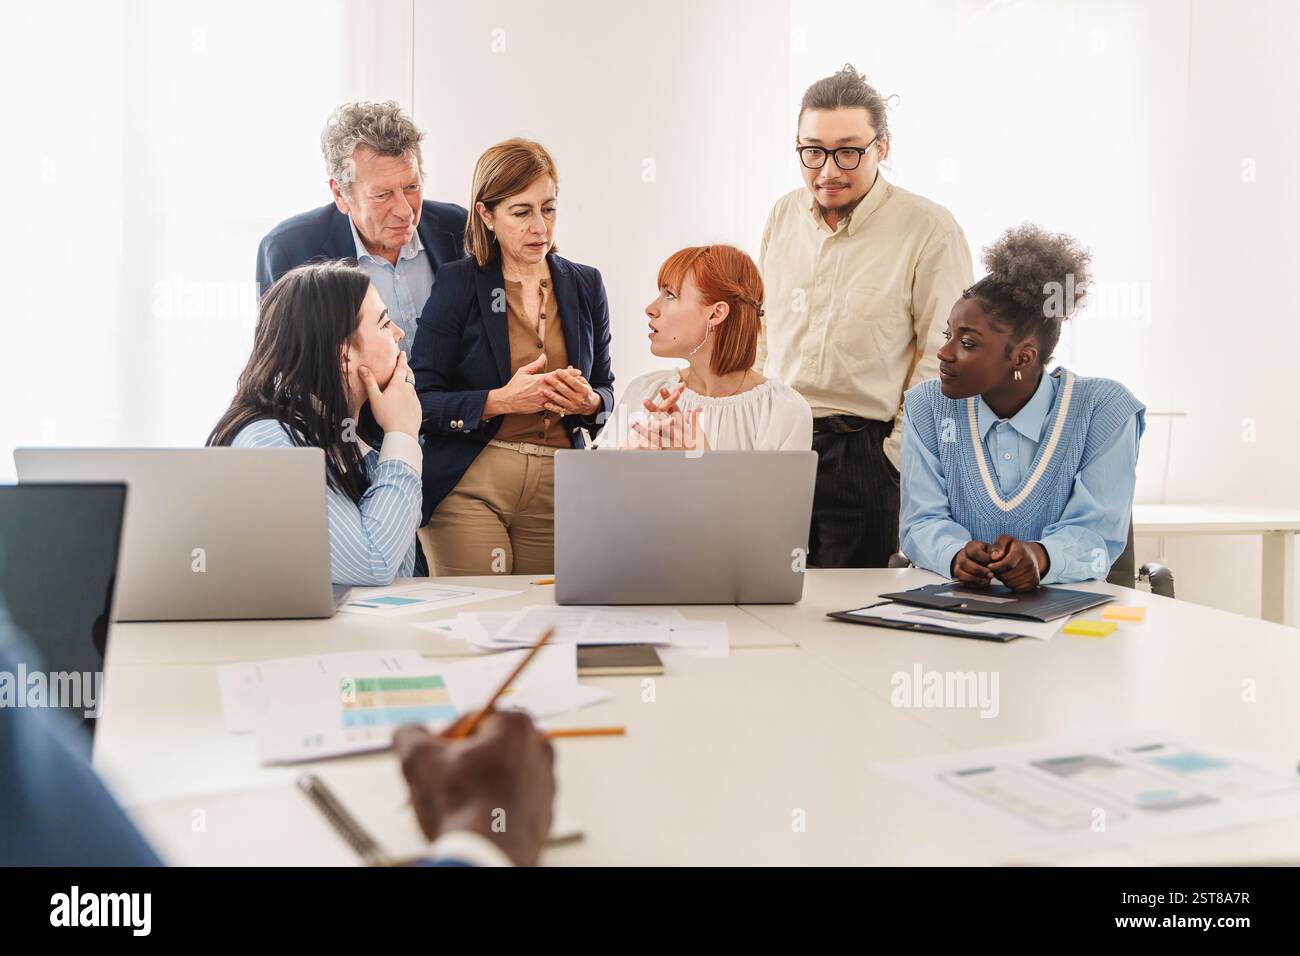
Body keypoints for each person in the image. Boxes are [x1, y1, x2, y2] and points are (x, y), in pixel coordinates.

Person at [0, 603, 555, 866]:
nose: (403, 366)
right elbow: (370, 554)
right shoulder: (279, 435)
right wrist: (483, 841)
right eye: (397, 359)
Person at [757, 64, 973, 567]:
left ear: (882, 147)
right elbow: (765, 333)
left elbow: (943, 358)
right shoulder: (782, 216)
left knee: (852, 626)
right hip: (779, 447)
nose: (828, 170)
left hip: (866, 455)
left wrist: (896, 458)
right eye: (813, 151)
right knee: (771, 608)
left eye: (848, 151)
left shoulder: (929, 229)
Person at [899, 224, 1146, 592]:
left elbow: (1096, 536)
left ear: (1022, 357)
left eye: (967, 343)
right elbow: (921, 522)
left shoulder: (1104, 410)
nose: (945, 353)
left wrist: (1041, 558)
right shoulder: (927, 407)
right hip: (959, 613)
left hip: (1067, 618)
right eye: (947, 335)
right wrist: (954, 554)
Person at [412, 138, 614, 575]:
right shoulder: (458, 284)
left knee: (548, 626)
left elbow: (606, 389)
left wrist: (590, 402)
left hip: (562, 485)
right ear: (486, 215)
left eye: (549, 208)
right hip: (471, 486)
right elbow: (419, 402)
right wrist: (501, 400)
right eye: (521, 212)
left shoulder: (585, 284)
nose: (540, 227)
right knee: (482, 619)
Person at [209, 261, 425, 586]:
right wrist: (403, 434)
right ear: (344, 357)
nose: (399, 333)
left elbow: (399, 569)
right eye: (383, 324)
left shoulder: (348, 432)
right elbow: (374, 563)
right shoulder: (270, 441)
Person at [255, 101, 467, 356]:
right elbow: (288, 368)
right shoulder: (289, 250)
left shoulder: (458, 227)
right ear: (340, 195)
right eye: (382, 195)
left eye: (412, 187)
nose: (405, 211)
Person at [593, 244, 811, 452]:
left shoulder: (783, 411)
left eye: (670, 295)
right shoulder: (643, 391)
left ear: (716, 314)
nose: (650, 309)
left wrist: (702, 462)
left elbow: (776, 493)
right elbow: (595, 486)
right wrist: (625, 462)